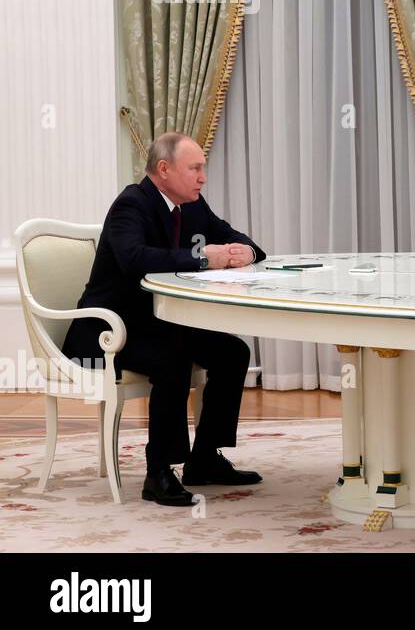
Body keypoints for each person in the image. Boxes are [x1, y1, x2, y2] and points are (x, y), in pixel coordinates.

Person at [62, 132, 266, 507]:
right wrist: (205, 259)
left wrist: (244, 251)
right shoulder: (131, 205)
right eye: (196, 168)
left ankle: (204, 459)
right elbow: (135, 259)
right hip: (106, 330)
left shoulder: (191, 204)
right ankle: (158, 472)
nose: (203, 177)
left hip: (157, 324)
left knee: (232, 353)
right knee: (171, 357)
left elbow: (231, 236)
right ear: (164, 170)